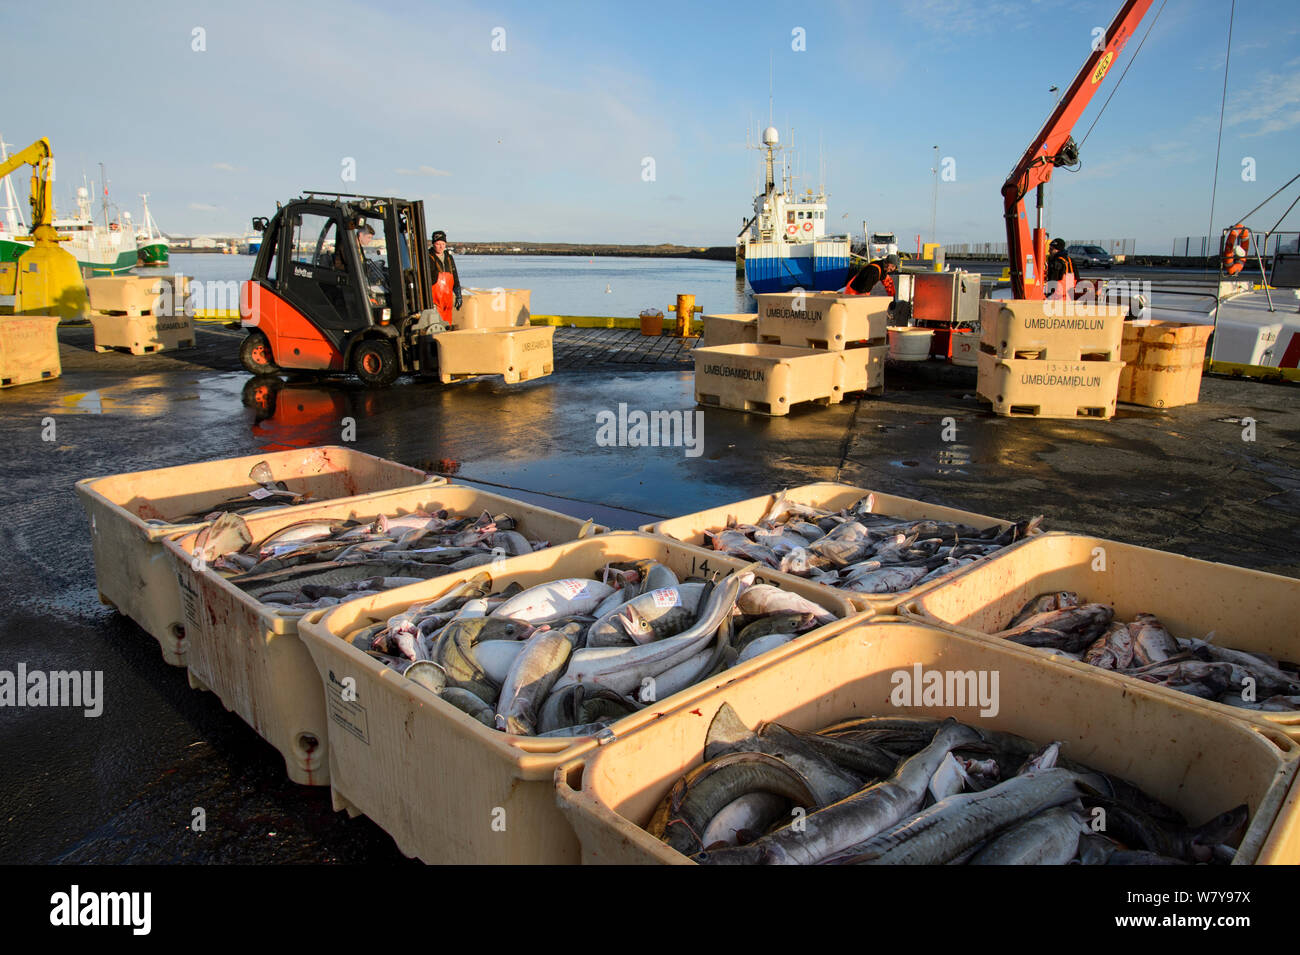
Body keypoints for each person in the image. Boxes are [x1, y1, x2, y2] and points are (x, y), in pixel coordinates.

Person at [428, 229, 462, 322]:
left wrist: (458, 294)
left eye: (443, 244)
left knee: (447, 325)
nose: (441, 247)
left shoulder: (449, 258)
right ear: (433, 244)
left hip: (447, 300)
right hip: (435, 300)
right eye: (438, 244)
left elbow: (455, 276)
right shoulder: (428, 257)